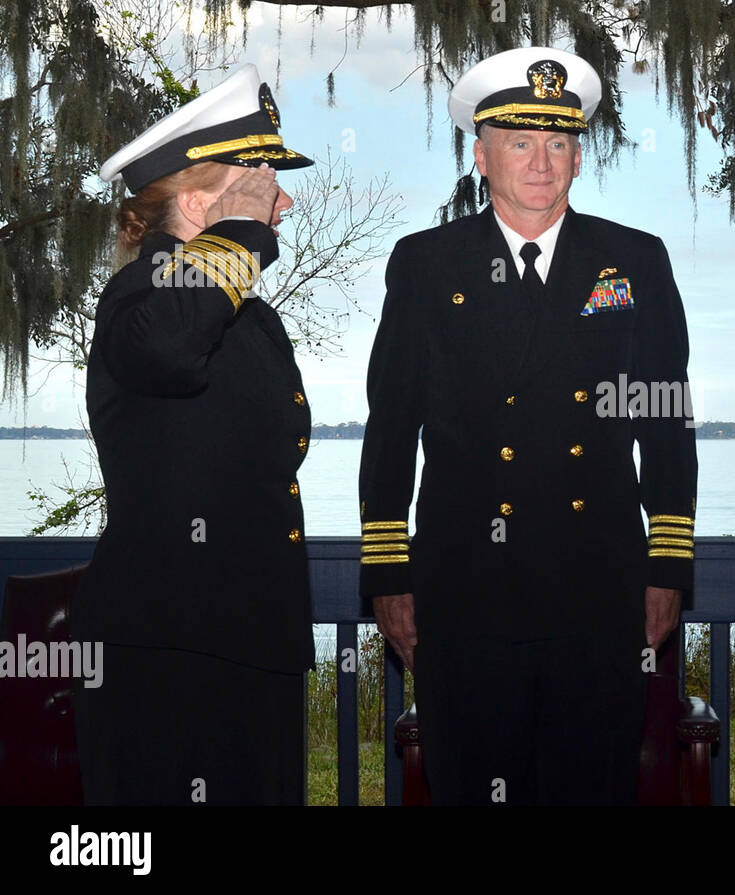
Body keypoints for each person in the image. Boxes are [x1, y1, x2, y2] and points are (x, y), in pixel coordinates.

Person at [358, 46, 697, 805]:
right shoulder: (426, 265)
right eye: (520, 142)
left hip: (598, 593)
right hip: (466, 594)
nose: (541, 163)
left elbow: (666, 424)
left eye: (558, 144)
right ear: (481, 155)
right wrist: (386, 574)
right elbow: (390, 429)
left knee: (593, 785)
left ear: (579, 158)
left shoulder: (634, 261)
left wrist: (668, 566)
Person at [71, 64, 315, 805]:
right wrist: (238, 229)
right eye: (265, 179)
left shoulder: (252, 319)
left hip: (255, 648)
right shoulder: (141, 294)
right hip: (166, 655)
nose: (284, 199)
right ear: (199, 194)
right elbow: (169, 345)